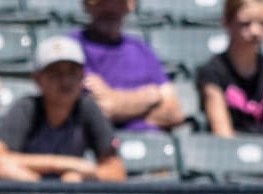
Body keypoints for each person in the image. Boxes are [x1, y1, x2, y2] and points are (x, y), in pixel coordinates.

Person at [0, 37, 127, 182]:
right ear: (37, 79)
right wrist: (67, 165)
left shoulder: (87, 108)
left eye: (72, 73)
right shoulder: (27, 107)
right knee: (9, 173)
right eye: (55, 74)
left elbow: (116, 171)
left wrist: (82, 176)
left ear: (82, 76)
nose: (66, 81)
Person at [72, 0, 187, 133]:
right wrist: (150, 97)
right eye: (100, 2)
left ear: (131, 4)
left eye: (118, 1)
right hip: (101, 148)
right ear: (85, 5)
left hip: (151, 146)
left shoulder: (142, 50)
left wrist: (116, 102)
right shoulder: (72, 48)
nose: (110, 7)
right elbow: (102, 109)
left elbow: (174, 113)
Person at [197, 0, 263, 140]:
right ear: (227, 23)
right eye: (245, 23)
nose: (255, 31)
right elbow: (222, 132)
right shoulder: (212, 71)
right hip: (223, 153)